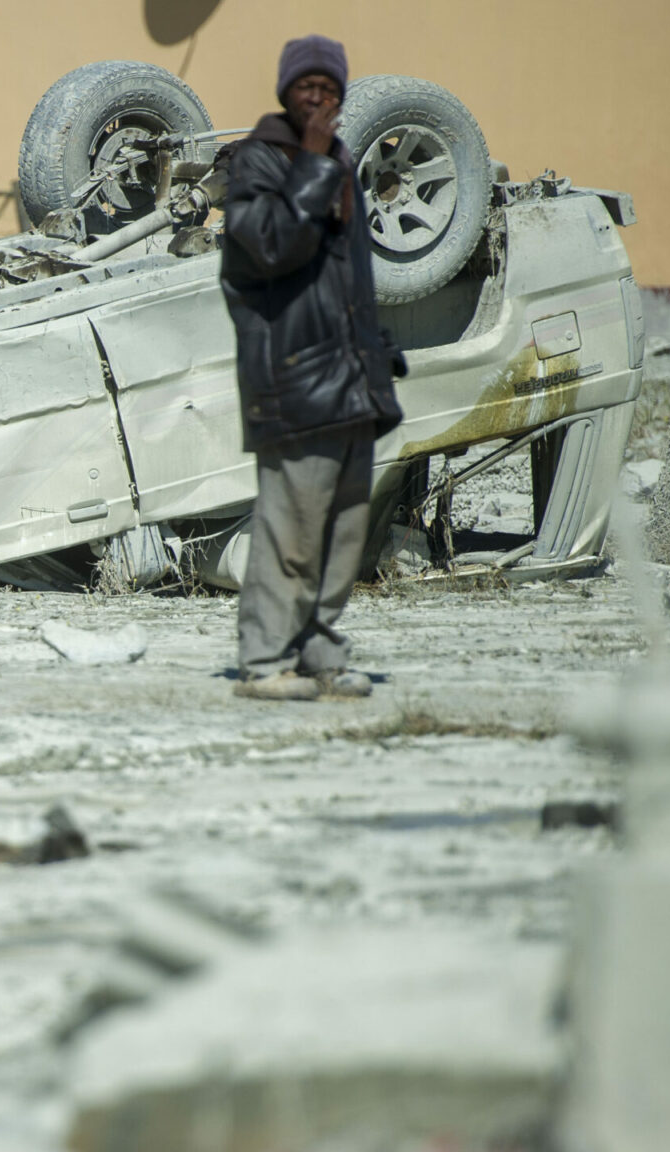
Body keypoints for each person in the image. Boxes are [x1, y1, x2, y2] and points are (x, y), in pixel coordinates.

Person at [219, 34, 408, 703]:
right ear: (286, 94)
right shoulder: (262, 162)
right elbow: (268, 247)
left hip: (350, 381)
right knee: (290, 532)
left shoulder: (336, 164)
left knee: (342, 535)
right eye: (308, 90)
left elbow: (349, 280)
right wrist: (314, 166)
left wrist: (376, 353)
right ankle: (264, 658)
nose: (320, 102)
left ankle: (320, 650)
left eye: (331, 92)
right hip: (294, 379)